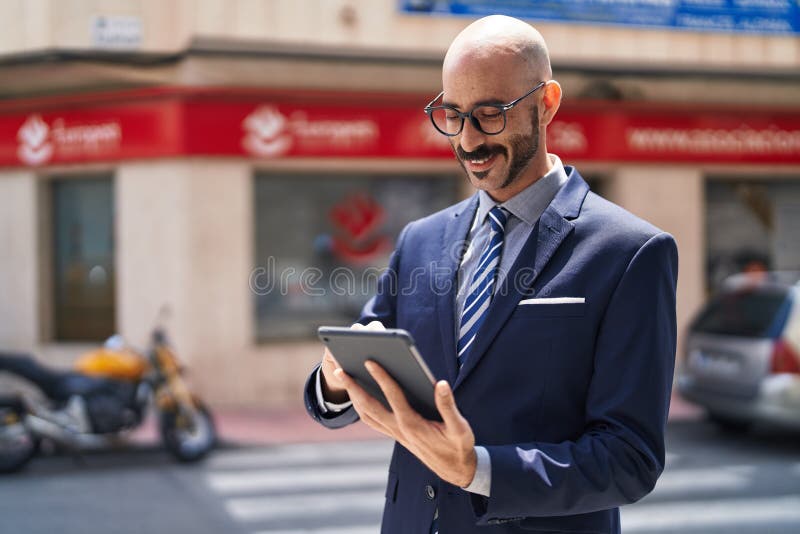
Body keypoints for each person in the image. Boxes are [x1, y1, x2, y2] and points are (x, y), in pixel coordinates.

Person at [303, 14, 678, 534]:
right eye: (452, 114)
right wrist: (333, 382)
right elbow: (353, 377)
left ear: (546, 104)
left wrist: (477, 470)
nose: (468, 139)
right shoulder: (419, 240)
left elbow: (630, 458)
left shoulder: (631, 252)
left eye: (489, 114)